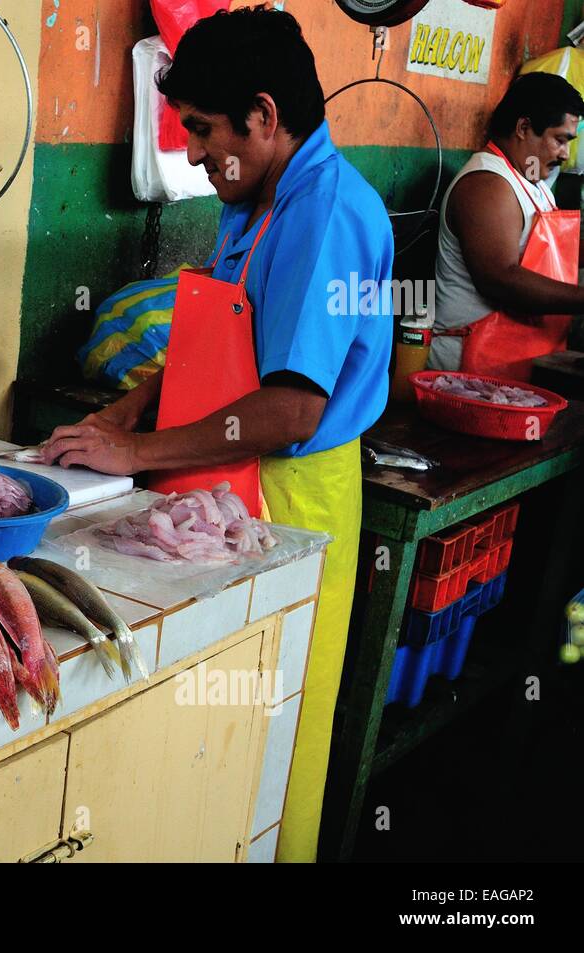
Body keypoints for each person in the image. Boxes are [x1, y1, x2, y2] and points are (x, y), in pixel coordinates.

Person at [40, 7, 393, 862]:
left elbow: (291, 406)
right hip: (216, 479)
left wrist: (136, 453)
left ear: (264, 117)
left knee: (269, 738)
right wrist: (129, 410)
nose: (194, 153)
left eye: (202, 131)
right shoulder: (258, 194)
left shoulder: (325, 213)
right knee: (195, 736)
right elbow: (228, 344)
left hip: (290, 491)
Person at [430, 72, 584, 378]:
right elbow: (500, 278)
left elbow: (557, 250)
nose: (565, 154)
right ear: (524, 128)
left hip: (511, 358)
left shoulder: (530, 180)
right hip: (464, 369)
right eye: (559, 139)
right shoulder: (488, 183)